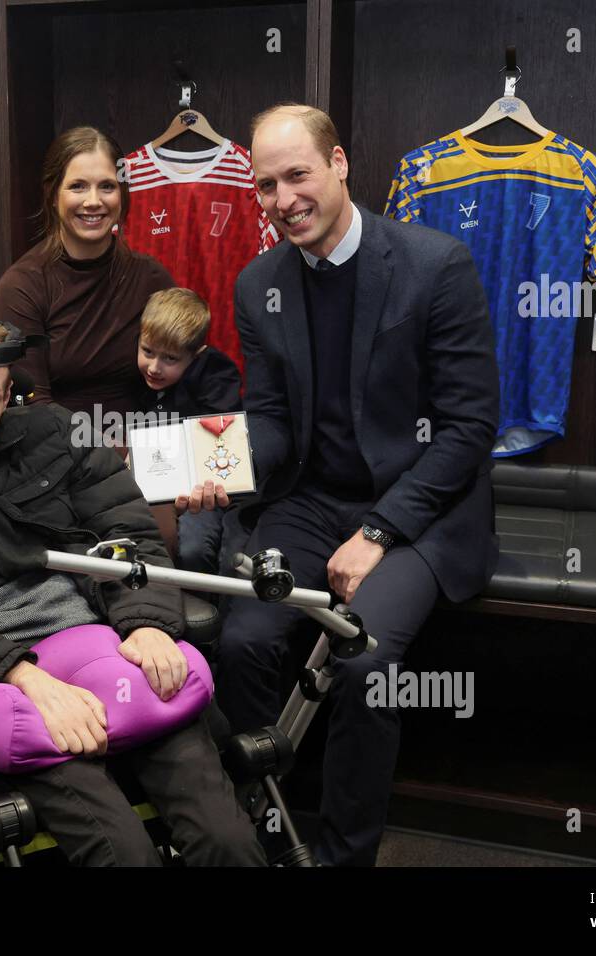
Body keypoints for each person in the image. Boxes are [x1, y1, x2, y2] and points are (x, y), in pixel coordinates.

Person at [0, 306, 265, 867]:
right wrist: (25, 676)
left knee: (229, 843)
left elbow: (129, 532)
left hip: (105, 642)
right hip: (2, 676)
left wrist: (147, 623)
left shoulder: (56, 434)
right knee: (127, 857)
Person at [214, 104, 500, 865]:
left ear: (339, 163)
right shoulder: (258, 284)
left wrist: (378, 532)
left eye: (297, 175)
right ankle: (262, 839)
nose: (282, 201)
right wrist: (224, 464)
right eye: (266, 187)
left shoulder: (435, 265)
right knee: (240, 641)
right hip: (313, 501)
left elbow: (470, 430)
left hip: (420, 505)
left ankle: (346, 856)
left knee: (365, 659)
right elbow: (271, 421)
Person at [0, 126, 173, 426]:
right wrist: (106, 460)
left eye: (107, 186)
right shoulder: (22, 286)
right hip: (58, 458)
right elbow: (30, 407)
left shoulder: (152, 279)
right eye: (77, 186)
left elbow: (185, 380)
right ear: (53, 195)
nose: (93, 201)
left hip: (146, 454)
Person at [131, 287, 243, 574]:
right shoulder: (137, 377)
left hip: (202, 487)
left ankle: (206, 609)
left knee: (194, 547)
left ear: (196, 356)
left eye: (170, 359)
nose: (154, 367)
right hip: (155, 485)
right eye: (148, 352)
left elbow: (221, 446)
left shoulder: (217, 378)